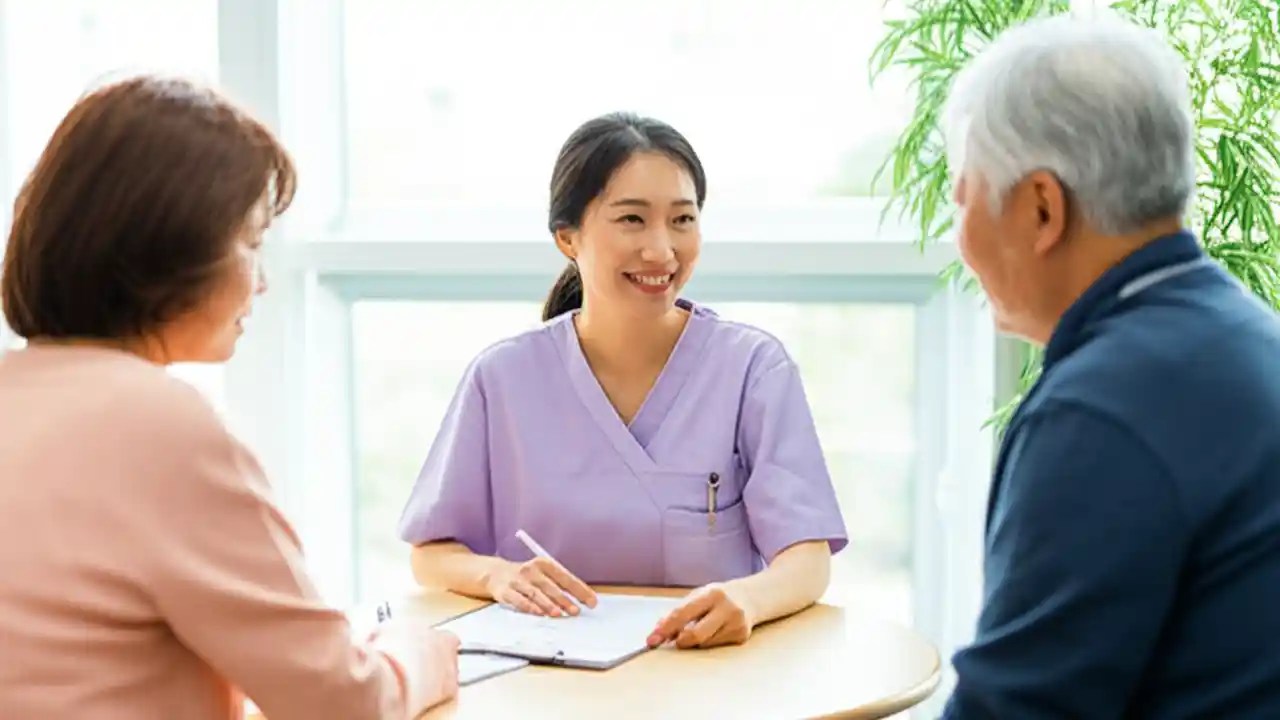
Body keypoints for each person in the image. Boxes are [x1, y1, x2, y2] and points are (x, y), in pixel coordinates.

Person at [0, 76, 459, 719]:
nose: (263, 282)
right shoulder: (155, 423)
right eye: (251, 242)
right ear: (167, 249)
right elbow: (347, 704)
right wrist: (417, 650)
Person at [399, 112, 848, 649]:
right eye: (632, 220)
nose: (662, 250)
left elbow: (808, 559)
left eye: (682, 220)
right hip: (548, 682)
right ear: (568, 237)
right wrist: (498, 576)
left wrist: (748, 599)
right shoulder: (502, 379)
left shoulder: (753, 369)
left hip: (710, 677)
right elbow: (431, 552)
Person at [939, 13, 1280, 718]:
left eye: (963, 196)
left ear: (1041, 208)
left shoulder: (1098, 414)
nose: (958, 235)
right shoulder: (1249, 341)